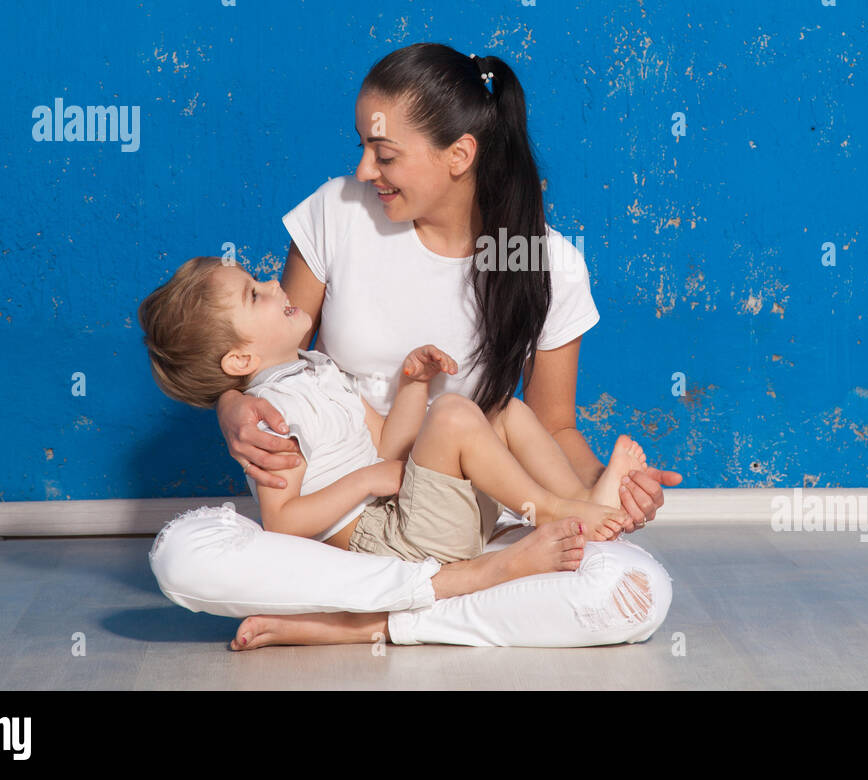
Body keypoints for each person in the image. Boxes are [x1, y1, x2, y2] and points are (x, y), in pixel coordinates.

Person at [148, 42, 682, 649]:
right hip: (363, 526)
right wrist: (230, 405)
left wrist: (610, 491)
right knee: (181, 554)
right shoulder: (338, 212)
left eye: (384, 154)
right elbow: (259, 353)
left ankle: (381, 615)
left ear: (459, 155)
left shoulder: (546, 262)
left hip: (475, 504)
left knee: (634, 592)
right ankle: (450, 592)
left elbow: (552, 425)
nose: (363, 171)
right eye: (362, 147)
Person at [138, 255, 644, 560]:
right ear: (240, 359)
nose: (273, 284)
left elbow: (386, 444)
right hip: (387, 537)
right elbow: (283, 521)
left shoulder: (318, 371)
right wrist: (366, 481)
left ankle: (582, 498)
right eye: (254, 295)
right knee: (453, 414)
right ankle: (552, 512)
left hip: (417, 514)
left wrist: (413, 386)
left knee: (502, 409)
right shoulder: (271, 414)